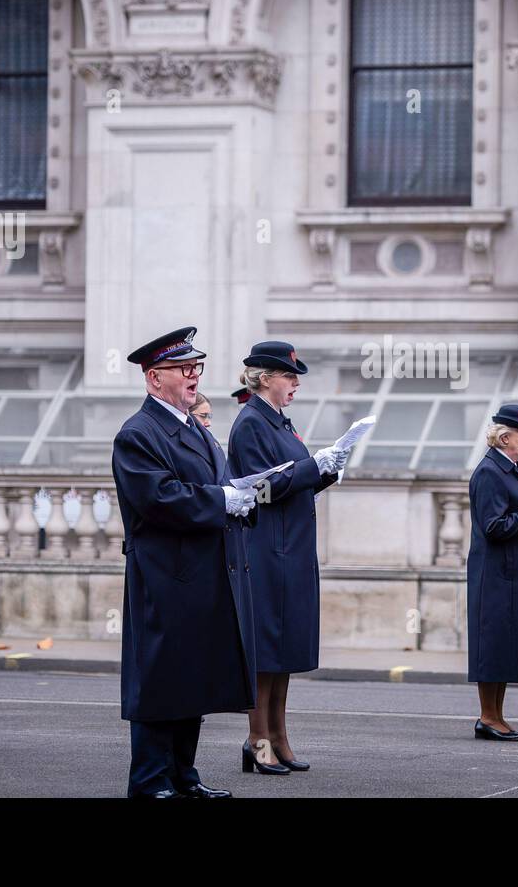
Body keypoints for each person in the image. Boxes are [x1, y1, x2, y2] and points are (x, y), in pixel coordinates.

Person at [111, 327, 260, 798]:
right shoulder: (139, 432)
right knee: (161, 680)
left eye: (196, 367)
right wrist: (221, 500)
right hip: (163, 574)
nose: (194, 376)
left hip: (196, 571)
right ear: (155, 378)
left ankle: (183, 776)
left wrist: (238, 495)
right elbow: (158, 497)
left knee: (189, 679)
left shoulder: (190, 425)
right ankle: (151, 780)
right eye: (183, 369)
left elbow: (205, 484)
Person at [228, 341, 348, 775]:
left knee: (284, 650)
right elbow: (260, 490)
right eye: (288, 376)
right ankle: (258, 740)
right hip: (267, 548)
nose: (295, 383)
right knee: (265, 651)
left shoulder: (279, 423)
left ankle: (278, 737)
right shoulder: (250, 424)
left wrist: (326, 470)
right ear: (264, 379)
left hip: (290, 546)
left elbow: (291, 481)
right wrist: (313, 467)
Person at [466, 404, 518, 740]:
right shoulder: (490, 472)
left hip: (509, 571)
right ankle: (488, 717)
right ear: (504, 437)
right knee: (493, 646)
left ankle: (496, 716)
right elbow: (494, 526)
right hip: (495, 573)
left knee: (503, 646)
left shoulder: (508, 468)